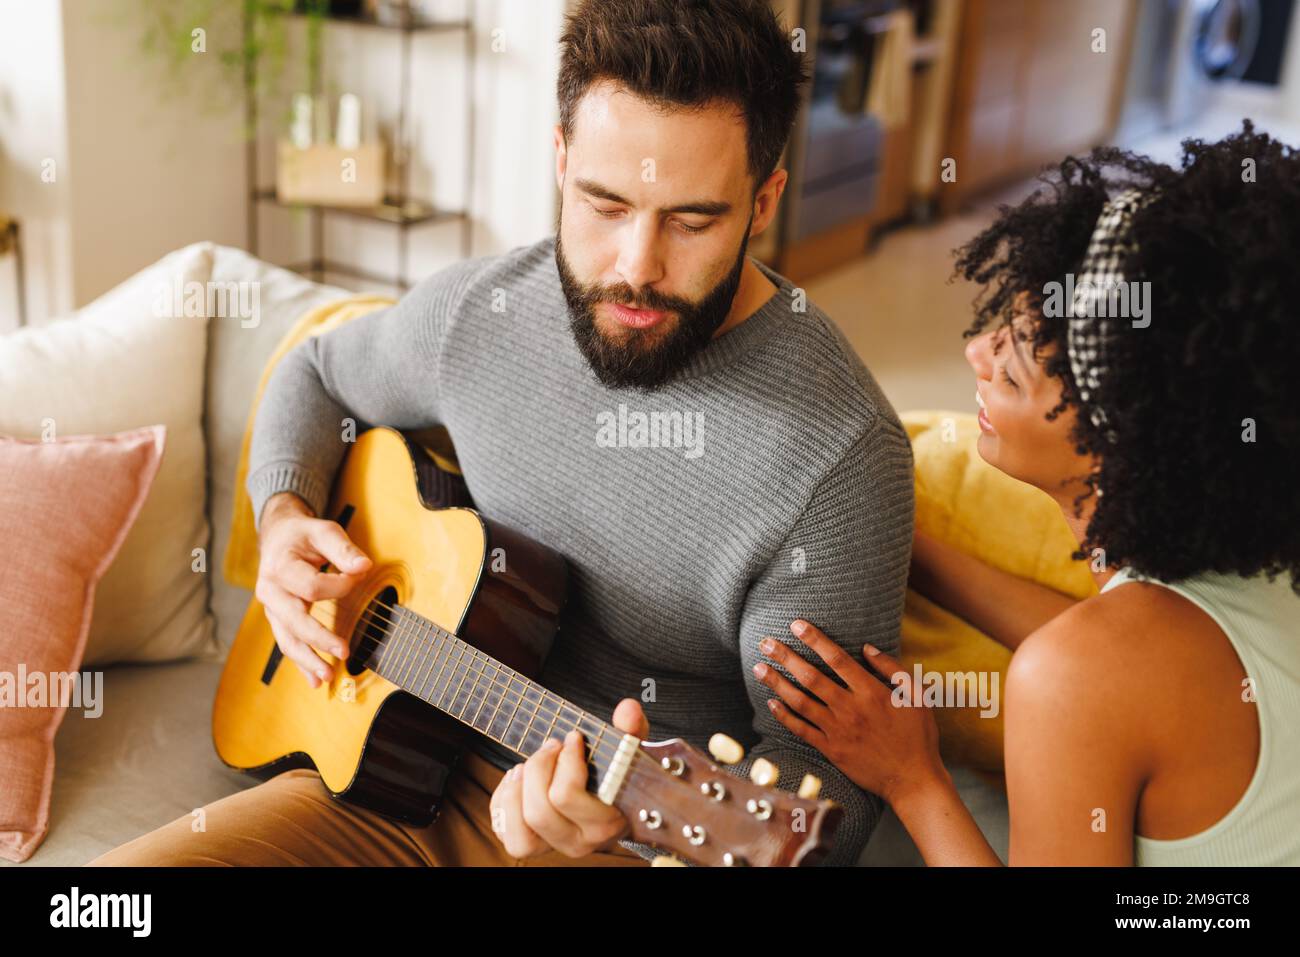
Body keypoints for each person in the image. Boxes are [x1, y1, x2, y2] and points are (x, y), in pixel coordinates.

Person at [89, 0, 914, 868]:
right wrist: (287, 518)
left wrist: (629, 826)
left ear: (764, 201)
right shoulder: (480, 314)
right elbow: (318, 373)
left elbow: (822, 793)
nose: (637, 263)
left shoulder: (839, 457)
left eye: (692, 219)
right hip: (379, 779)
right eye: (604, 203)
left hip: (625, 838)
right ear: (560, 161)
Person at [756, 122, 1300, 865]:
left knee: (870, 818)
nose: (974, 353)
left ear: (1117, 448)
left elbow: (1095, 672)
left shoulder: (1078, 679)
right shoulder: (1255, 555)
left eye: (1013, 370)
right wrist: (907, 543)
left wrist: (911, 776)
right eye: (1002, 326)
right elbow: (1122, 646)